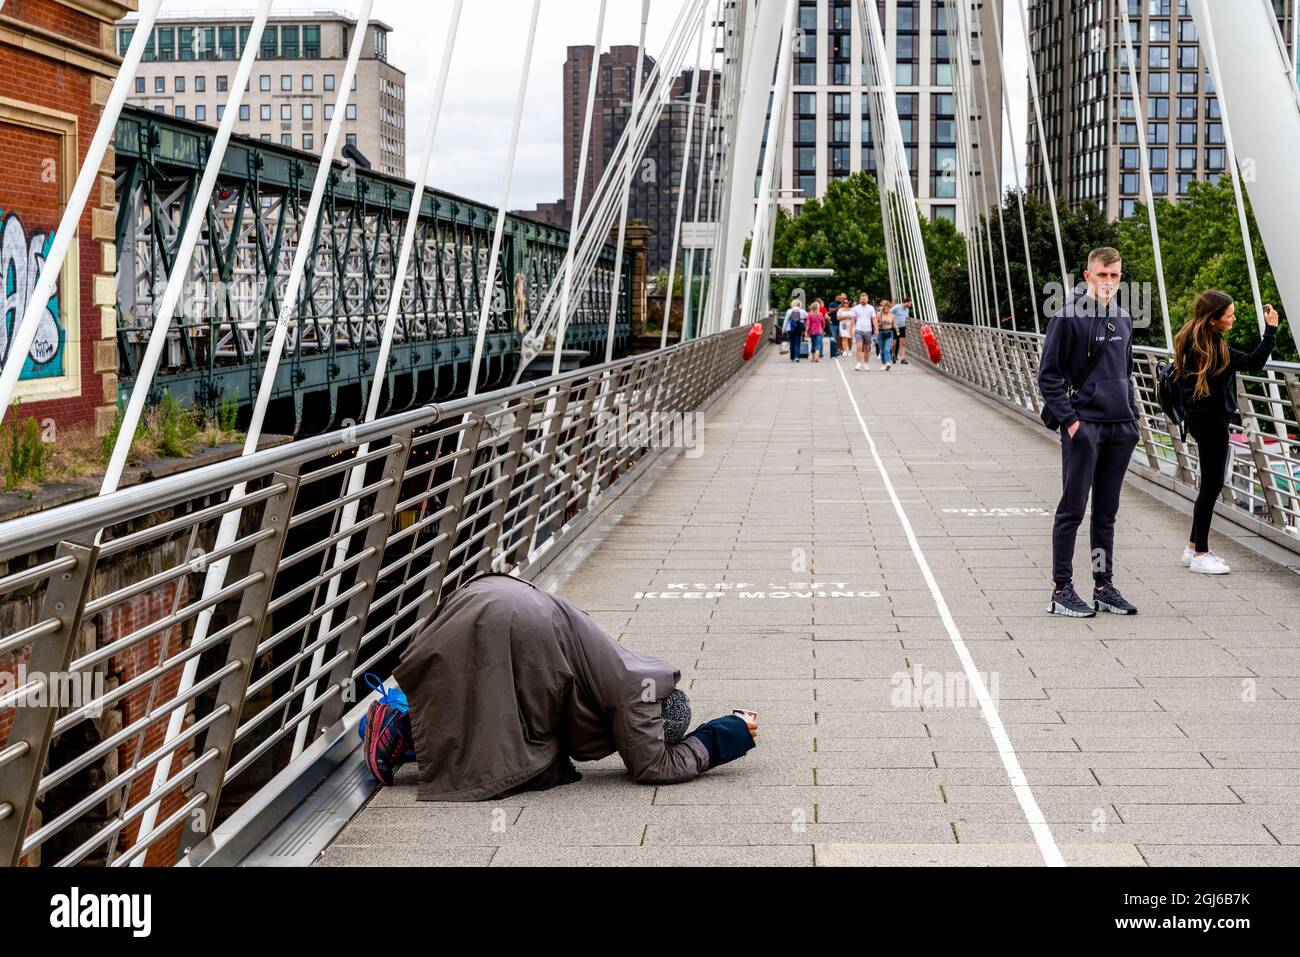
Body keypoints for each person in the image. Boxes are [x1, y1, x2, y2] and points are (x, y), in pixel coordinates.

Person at [365, 574, 759, 797]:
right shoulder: (637, 699)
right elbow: (654, 766)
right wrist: (728, 732)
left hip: (490, 595)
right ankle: (398, 729)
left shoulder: (633, 669)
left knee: (487, 704)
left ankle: (400, 720)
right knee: (516, 762)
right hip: (514, 624)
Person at [1037, 246, 1140, 618]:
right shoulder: (1066, 318)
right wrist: (1071, 421)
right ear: (1087, 276)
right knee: (1072, 509)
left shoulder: (1124, 317)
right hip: (1085, 427)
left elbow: (1126, 374)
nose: (1109, 282)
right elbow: (1047, 376)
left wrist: (1134, 419)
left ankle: (1102, 585)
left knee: (1106, 513)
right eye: (1102, 275)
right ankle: (1061, 589)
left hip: (1120, 428)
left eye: (1115, 276)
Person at [1174, 292, 1280, 574]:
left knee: (1209, 484)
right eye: (1229, 314)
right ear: (1213, 320)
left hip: (1198, 418)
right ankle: (1200, 554)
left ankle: (1192, 546)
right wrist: (1271, 329)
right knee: (1211, 486)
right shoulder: (1213, 348)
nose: (1233, 318)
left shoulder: (1192, 338)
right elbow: (1255, 361)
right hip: (1211, 422)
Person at [852, 292, 876, 371]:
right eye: (862, 299)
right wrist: (851, 329)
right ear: (859, 299)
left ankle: (866, 363)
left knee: (866, 348)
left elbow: (874, 319)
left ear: (867, 300)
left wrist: (876, 328)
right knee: (858, 347)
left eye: (864, 299)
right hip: (858, 330)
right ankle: (858, 363)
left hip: (868, 330)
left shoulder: (871, 308)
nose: (863, 300)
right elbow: (853, 319)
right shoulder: (856, 308)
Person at [784, 298, 807, 363]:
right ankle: (797, 357)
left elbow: (786, 320)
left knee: (792, 342)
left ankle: (792, 357)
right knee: (797, 342)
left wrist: (784, 329)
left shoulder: (789, 311)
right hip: (799, 328)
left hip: (790, 328)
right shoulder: (802, 311)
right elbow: (807, 317)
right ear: (799, 304)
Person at [877, 299, 897, 370]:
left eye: (888, 309)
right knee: (882, 350)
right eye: (886, 309)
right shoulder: (879, 314)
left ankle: (888, 362)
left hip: (889, 332)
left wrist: (897, 331)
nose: (887, 311)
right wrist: (882, 323)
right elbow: (876, 324)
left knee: (887, 349)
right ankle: (883, 364)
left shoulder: (892, 315)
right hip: (881, 332)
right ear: (883, 309)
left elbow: (894, 325)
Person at [806, 298, 826, 363]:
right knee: (818, 344)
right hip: (819, 331)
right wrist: (823, 327)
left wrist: (807, 331)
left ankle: (813, 357)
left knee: (813, 344)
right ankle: (817, 356)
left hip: (812, 332)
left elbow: (808, 323)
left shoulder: (809, 314)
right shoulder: (820, 314)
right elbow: (823, 323)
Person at [891, 298, 911, 364]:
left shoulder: (907, 310)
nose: (911, 304)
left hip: (902, 327)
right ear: (906, 302)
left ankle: (903, 359)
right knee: (894, 344)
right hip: (895, 327)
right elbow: (889, 314)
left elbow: (906, 318)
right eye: (910, 303)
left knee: (902, 343)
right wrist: (892, 323)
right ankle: (893, 355)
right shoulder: (896, 307)